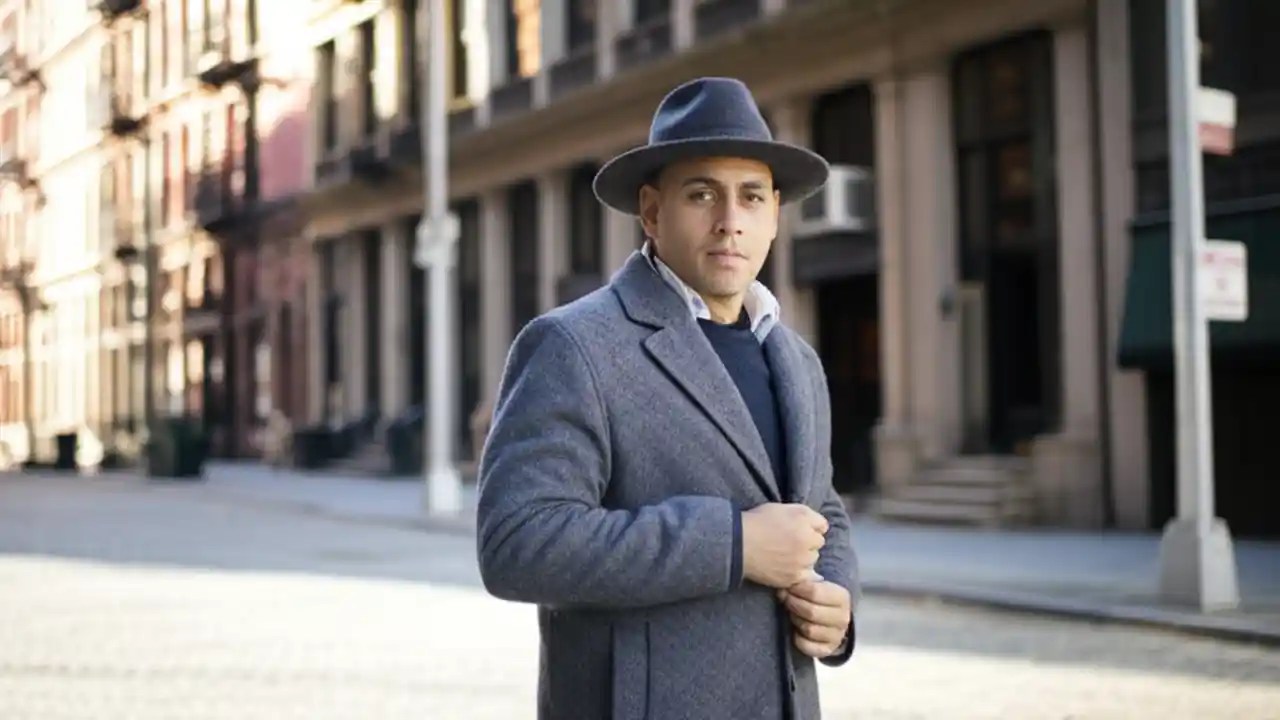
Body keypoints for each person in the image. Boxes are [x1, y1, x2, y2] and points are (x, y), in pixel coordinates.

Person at [476, 76, 859, 720]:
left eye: (752, 197)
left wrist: (838, 603)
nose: (730, 221)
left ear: (773, 217)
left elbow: (822, 510)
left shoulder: (797, 360)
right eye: (702, 193)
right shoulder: (574, 345)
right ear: (652, 213)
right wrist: (732, 544)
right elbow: (518, 543)